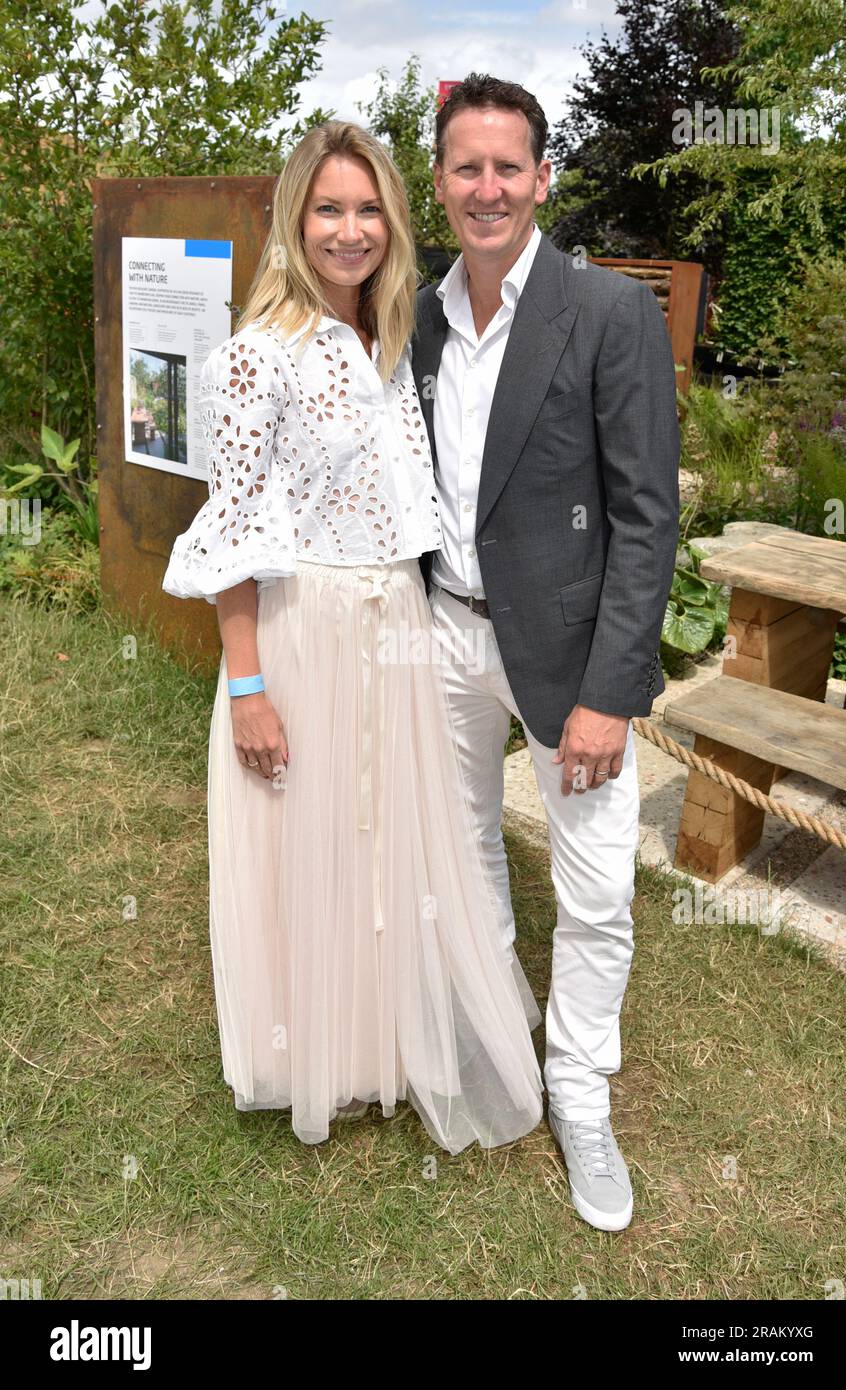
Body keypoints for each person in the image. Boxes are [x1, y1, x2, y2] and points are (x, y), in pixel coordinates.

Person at [162, 120, 544, 1155]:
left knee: (385, 839)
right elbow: (232, 534)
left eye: (367, 207)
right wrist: (247, 687)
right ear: (293, 219)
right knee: (308, 843)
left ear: (392, 219)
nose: (348, 229)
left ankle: (378, 1045)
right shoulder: (254, 359)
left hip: (398, 626)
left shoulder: (389, 343)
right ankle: (306, 1052)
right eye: (327, 207)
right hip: (304, 633)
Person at [412, 75, 680, 1228]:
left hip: (568, 665)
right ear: (437, 182)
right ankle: (494, 1023)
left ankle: (577, 1086)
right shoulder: (416, 313)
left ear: (541, 177)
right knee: (465, 853)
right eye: (463, 167)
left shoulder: (607, 312)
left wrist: (610, 694)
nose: (485, 189)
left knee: (596, 887)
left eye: (505, 167)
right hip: (439, 636)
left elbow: (645, 516)